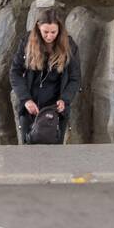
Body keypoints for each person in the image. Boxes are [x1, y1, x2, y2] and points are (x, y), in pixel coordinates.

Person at [9, 9, 80, 145]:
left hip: (56, 110)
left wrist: (65, 99)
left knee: (53, 153)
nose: (49, 36)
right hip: (31, 107)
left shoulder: (70, 46)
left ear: (60, 29)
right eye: (45, 32)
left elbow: (75, 78)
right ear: (38, 28)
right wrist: (26, 99)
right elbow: (15, 72)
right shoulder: (26, 42)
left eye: (53, 32)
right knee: (29, 149)